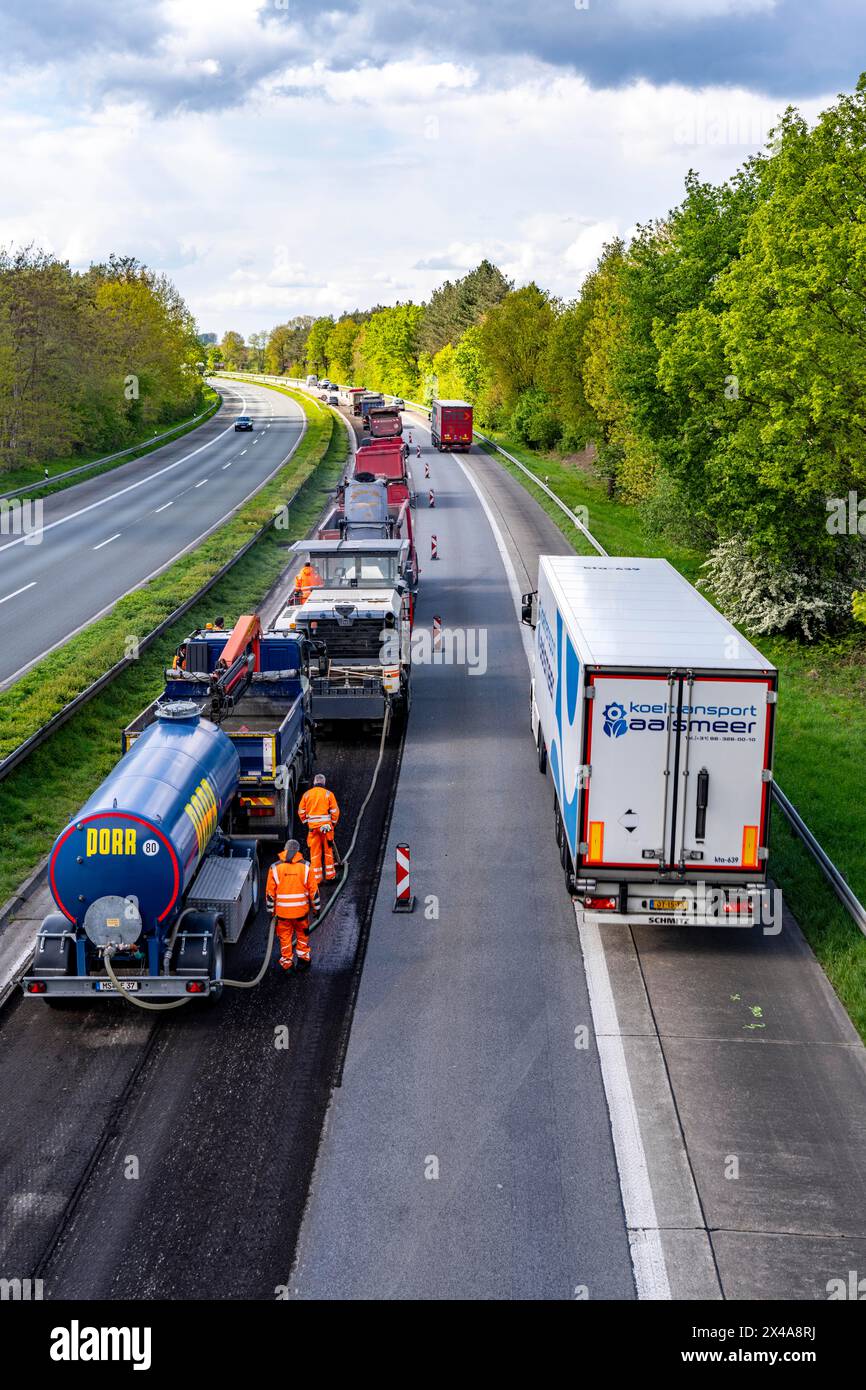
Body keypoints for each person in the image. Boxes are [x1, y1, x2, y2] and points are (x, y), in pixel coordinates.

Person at [265, 839, 320, 973]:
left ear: (285, 850)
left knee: (285, 937)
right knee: (302, 935)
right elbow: (314, 892)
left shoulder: (274, 868)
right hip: (301, 913)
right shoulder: (306, 867)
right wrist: (317, 909)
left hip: (283, 914)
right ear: (298, 851)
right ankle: (303, 960)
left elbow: (270, 894)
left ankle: (287, 964)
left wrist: (271, 912)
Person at [298, 774, 341, 885]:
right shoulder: (328, 794)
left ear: (314, 783)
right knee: (328, 851)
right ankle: (330, 876)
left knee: (315, 853)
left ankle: (317, 879)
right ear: (324, 783)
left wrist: (306, 822)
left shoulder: (307, 795)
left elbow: (301, 811)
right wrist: (332, 825)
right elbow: (335, 812)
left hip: (313, 829)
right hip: (326, 829)